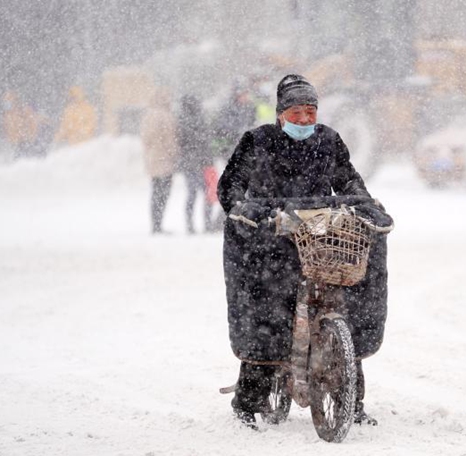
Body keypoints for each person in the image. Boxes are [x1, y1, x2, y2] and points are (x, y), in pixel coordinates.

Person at [217, 74, 387, 429]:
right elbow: (231, 184)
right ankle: (248, 400)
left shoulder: (328, 140)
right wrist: (242, 209)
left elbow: (348, 180)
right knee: (267, 317)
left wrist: (362, 202)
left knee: (345, 304)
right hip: (272, 239)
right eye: (296, 113)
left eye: (311, 112)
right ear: (281, 114)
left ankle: (351, 401)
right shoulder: (258, 141)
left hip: (318, 235)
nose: (305, 119)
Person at [140, 89, 178, 235]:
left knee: (155, 192)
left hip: (152, 159)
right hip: (164, 159)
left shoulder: (148, 116)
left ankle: (155, 224)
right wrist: (174, 153)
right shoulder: (165, 116)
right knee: (163, 194)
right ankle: (159, 224)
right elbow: (169, 139)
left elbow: (145, 139)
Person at [177, 95, 213, 234]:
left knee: (192, 193)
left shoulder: (182, 120)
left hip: (190, 163)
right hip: (202, 162)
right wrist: (208, 160)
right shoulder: (200, 118)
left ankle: (190, 224)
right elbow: (205, 141)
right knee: (206, 193)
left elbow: (181, 143)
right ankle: (207, 223)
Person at [2, 91, 40, 158]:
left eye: (8, 102)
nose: (7, 105)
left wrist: (31, 137)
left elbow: (33, 124)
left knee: (25, 158)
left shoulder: (23, 111)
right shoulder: (6, 115)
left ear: (14, 102)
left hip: (23, 141)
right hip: (12, 143)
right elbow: (6, 128)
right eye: (5, 103)